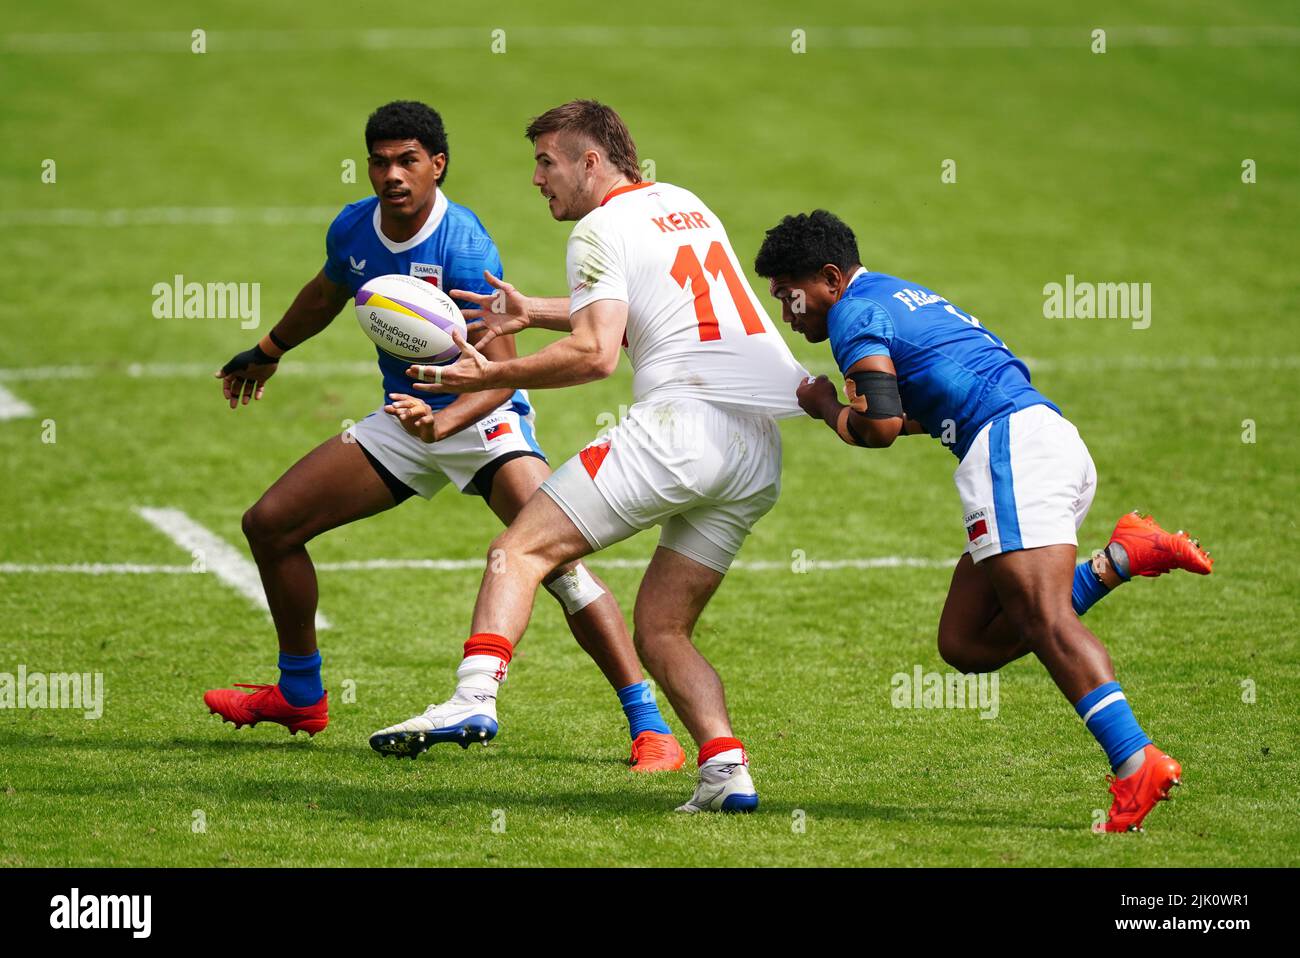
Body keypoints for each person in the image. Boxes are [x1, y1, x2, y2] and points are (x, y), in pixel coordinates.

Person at [204, 100, 684, 773]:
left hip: (485, 421)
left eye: (408, 161)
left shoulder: (463, 244)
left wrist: (450, 418)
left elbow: (501, 367)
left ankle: (650, 726)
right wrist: (269, 347)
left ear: (438, 165)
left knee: (558, 566)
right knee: (271, 524)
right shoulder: (353, 229)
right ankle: (300, 693)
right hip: (407, 419)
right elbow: (327, 290)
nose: (392, 174)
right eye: (380, 160)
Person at [370, 100, 810, 812]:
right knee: (662, 628)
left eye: (547, 162)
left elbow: (596, 354)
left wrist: (485, 373)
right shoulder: (682, 202)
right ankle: (726, 769)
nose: (538, 179)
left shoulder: (599, 228)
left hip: (679, 430)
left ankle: (472, 696)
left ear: (591, 162)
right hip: (756, 451)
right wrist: (533, 312)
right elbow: (658, 304)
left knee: (517, 552)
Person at [753, 209, 1213, 832]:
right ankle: (1123, 556)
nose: (789, 311)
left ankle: (1137, 762)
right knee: (966, 643)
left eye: (791, 294)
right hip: (1043, 440)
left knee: (1044, 620)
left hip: (1011, 453)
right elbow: (929, 401)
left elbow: (881, 427)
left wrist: (826, 407)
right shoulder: (893, 293)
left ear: (830, 278)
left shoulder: (853, 316)